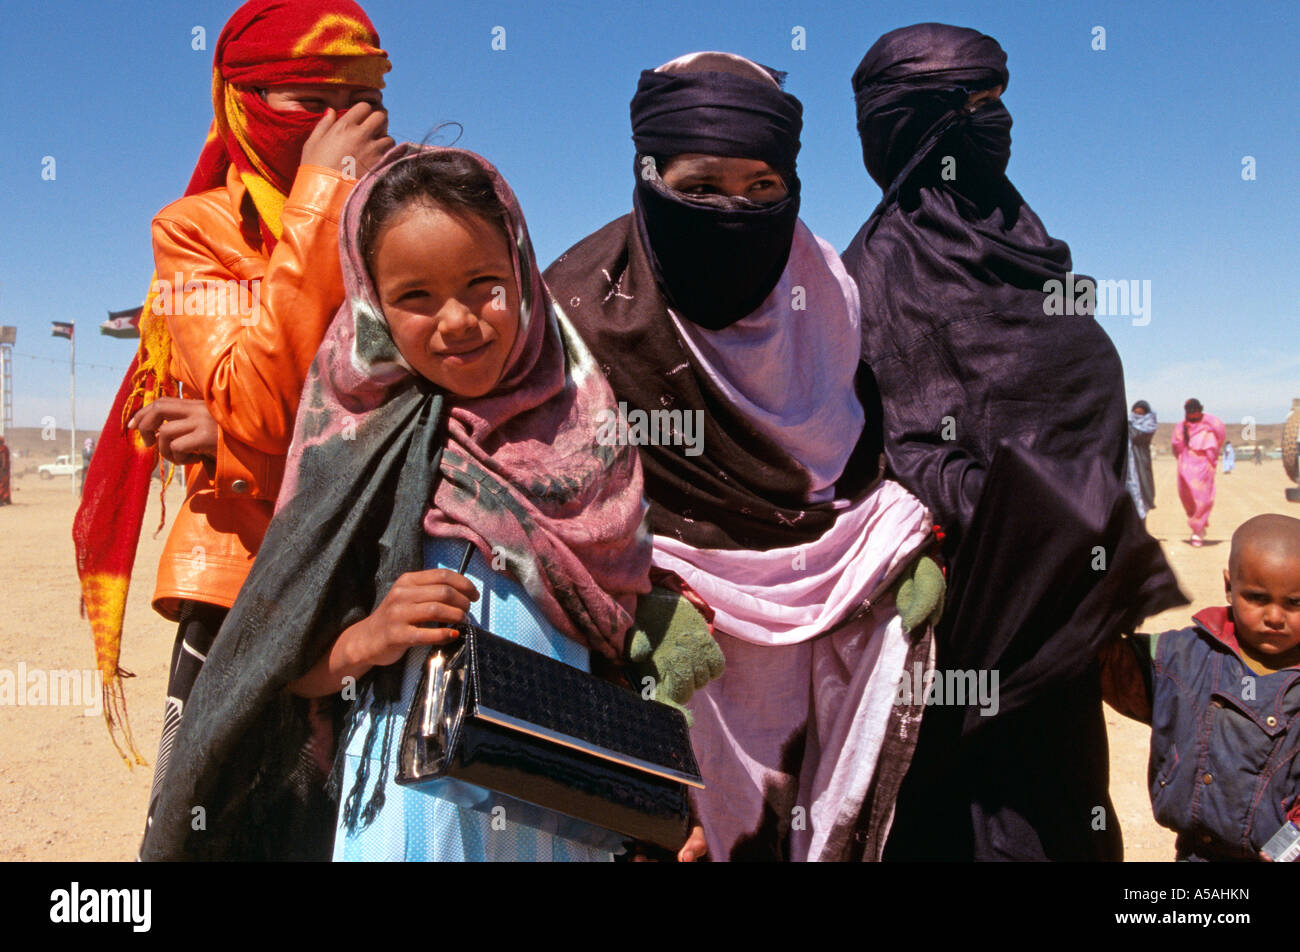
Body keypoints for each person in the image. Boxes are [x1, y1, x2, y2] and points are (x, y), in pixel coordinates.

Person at [140, 145, 719, 862]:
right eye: (415, 296)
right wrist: (367, 639)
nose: (457, 321)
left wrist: (656, 801)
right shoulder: (351, 443)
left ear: (524, 278)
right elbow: (281, 658)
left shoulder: (590, 434)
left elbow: (622, 654)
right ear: (371, 305)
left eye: (484, 284)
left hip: (562, 810)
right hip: (404, 816)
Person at [546, 52, 944, 861]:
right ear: (647, 172)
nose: (734, 210)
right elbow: (543, 497)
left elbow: (856, 443)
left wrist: (895, 542)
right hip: (668, 638)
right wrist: (628, 595)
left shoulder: (823, 286)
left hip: (819, 626)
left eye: (763, 190)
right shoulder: (581, 307)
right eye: (699, 189)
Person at [841, 23, 1184, 860]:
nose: (1003, 122)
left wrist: (1076, 541)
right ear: (925, 125)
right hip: (943, 631)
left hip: (1059, 619)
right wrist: (1014, 509)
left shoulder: (1024, 246)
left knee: (1056, 818)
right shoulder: (873, 275)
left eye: (1002, 100)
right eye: (980, 104)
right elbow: (884, 451)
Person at [73, 0, 393, 808]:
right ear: (244, 102)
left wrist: (234, 441)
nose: (343, 125)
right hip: (245, 582)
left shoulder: (411, 211)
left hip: (392, 573)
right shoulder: (194, 234)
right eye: (312, 104)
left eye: (362, 100)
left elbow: (446, 405)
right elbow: (256, 402)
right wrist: (322, 201)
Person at [1100, 513, 1300, 861]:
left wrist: (1289, 845)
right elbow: (1116, 670)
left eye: (1294, 603)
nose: (1274, 617)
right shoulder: (1186, 655)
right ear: (1228, 586)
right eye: (1257, 597)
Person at [1172, 398, 1227, 545]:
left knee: (1203, 499)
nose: (1194, 414)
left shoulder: (1211, 425)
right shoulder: (1181, 427)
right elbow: (1176, 446)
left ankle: (1197, 529)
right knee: (1188, 497)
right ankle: (1198, 526)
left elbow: (1220, 436)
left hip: (1204, 466)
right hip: (1186, 466)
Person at [1127, 400, 1158, 520]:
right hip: (1128, 467)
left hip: (1141, 464)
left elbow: (1136, 435)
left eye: (1140, 413)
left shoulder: (1149, 426)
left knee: (1142, 496)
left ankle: (1141, 529)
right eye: (1135, 413)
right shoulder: (1127, 424)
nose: (1137, 415)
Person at [0, 435, 10, 506]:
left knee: (3, 484)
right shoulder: (4, 448)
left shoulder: (2, 448)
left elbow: (3, 458)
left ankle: (5, 499)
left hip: (3, 469)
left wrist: (3, 467)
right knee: (3, 484)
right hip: (3, 469)